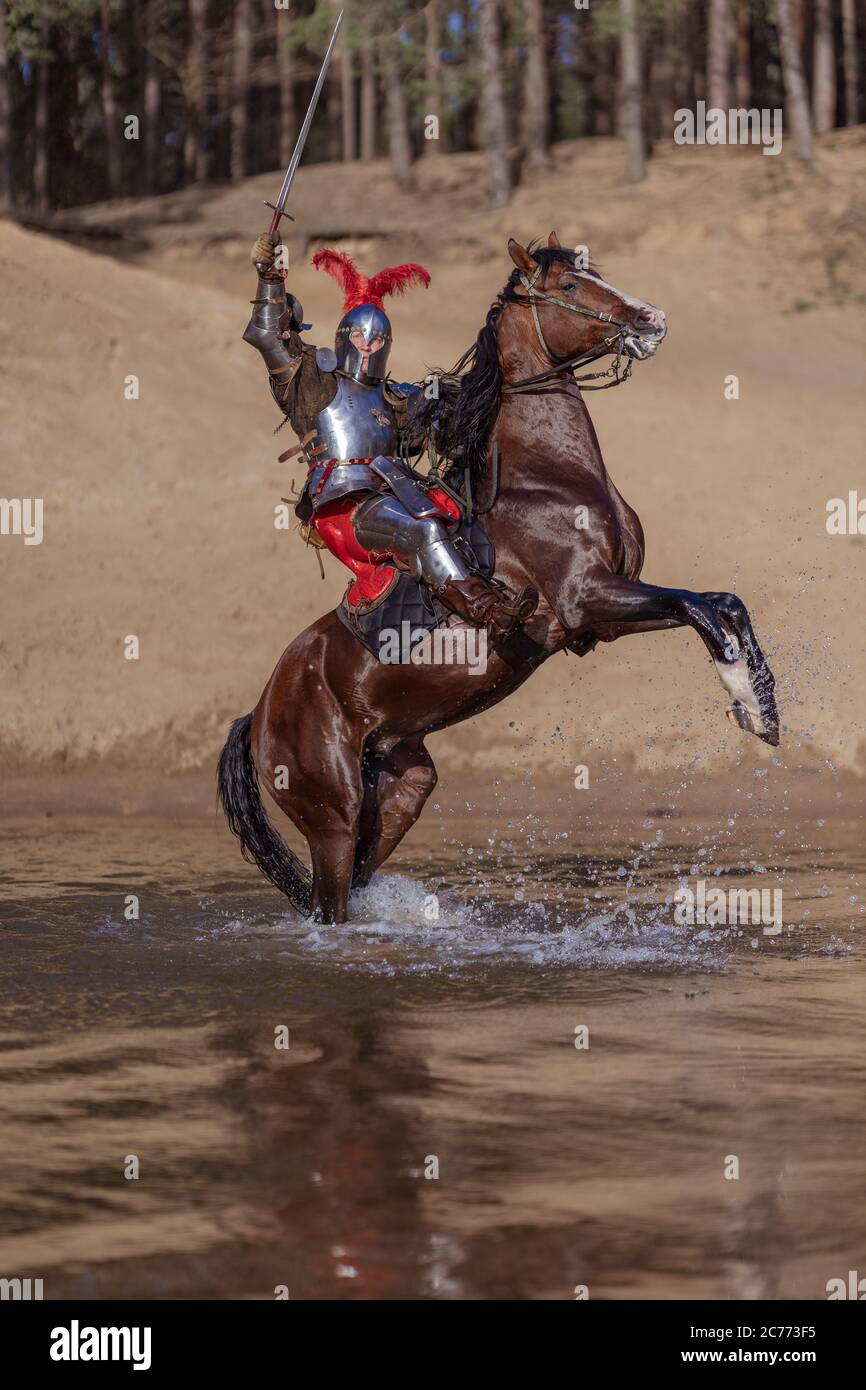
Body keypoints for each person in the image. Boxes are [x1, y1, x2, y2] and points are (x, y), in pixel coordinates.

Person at [243, 233, 538, 635]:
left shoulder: (394, 399)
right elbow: (268, 336)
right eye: (361, 337)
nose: (368, 346)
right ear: (345, 338)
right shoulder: (313, 383)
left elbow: (449, 424)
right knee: (425, 529)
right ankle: (487, 612)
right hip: (341, 508)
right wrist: (270, 275)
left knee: (462, 517)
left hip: (388, 499)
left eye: (377, 339)